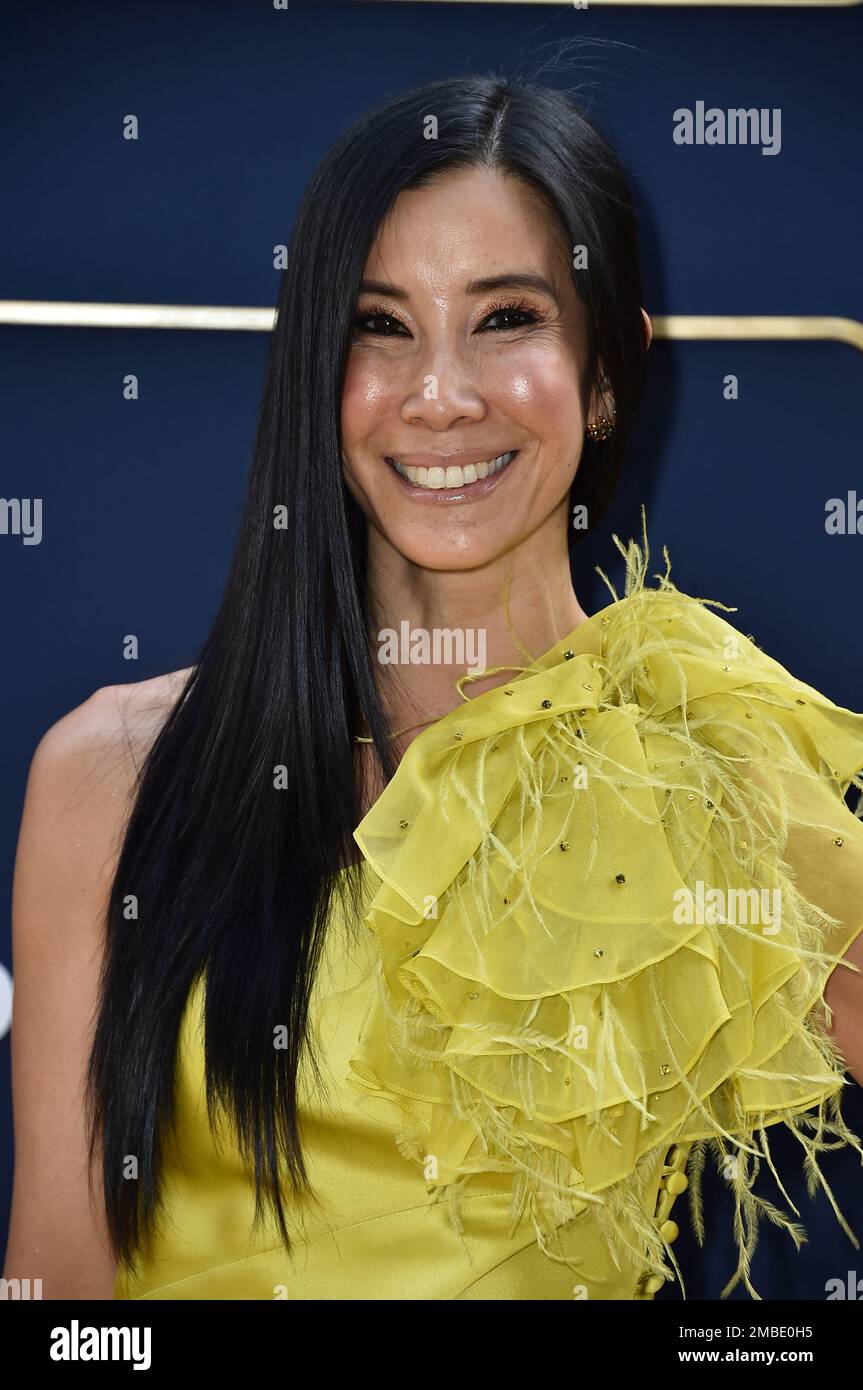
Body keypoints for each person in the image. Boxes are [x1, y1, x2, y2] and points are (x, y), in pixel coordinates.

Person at [4, 74, 863, 1302]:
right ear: (317, 367)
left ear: (606, 371)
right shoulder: (110, 774)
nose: (439, 394)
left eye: (506, 318)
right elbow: (57, 1291)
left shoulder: (709, 760)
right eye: (380, 325)